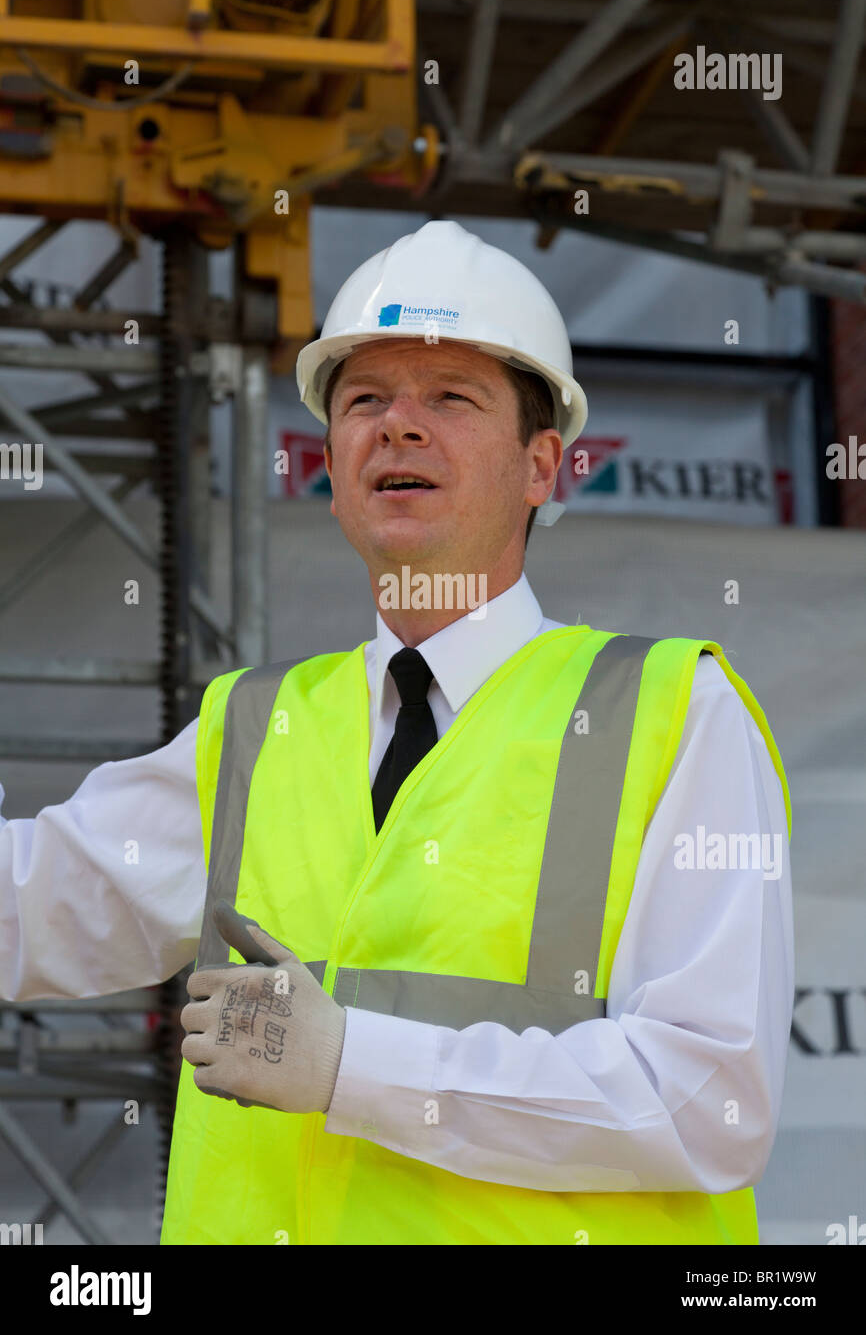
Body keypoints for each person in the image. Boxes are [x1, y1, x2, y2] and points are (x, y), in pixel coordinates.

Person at [0, 220, 793, 1246]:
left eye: (450, 399)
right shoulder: (252, 728)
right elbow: (30, 909)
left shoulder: (671, 713)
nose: (398, 427)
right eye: (364, 400)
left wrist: (350, 1067)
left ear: (541, 464)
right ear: (328, 459)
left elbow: (708, 1100)